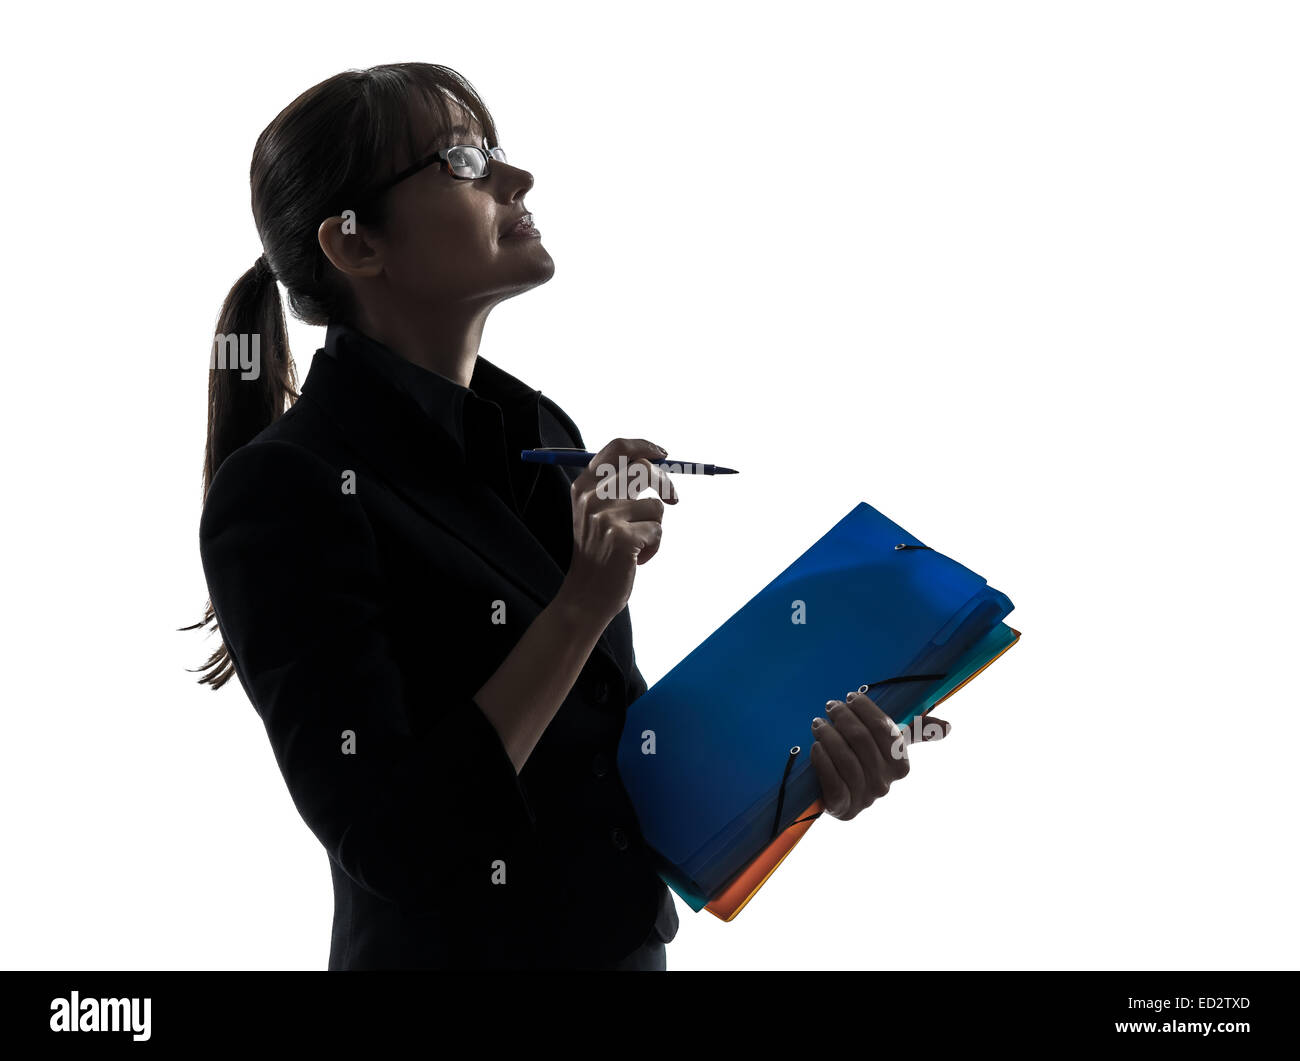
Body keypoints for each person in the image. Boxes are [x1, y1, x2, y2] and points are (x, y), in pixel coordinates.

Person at [190, 62, 945, 971]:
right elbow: (394, 839)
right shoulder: (285, 489)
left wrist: (797, 774)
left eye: (497, 150)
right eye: (465, 161)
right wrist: (582, 602)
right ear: (356, 244)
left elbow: (609, 771)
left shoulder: (543, 435)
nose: (517, 179)